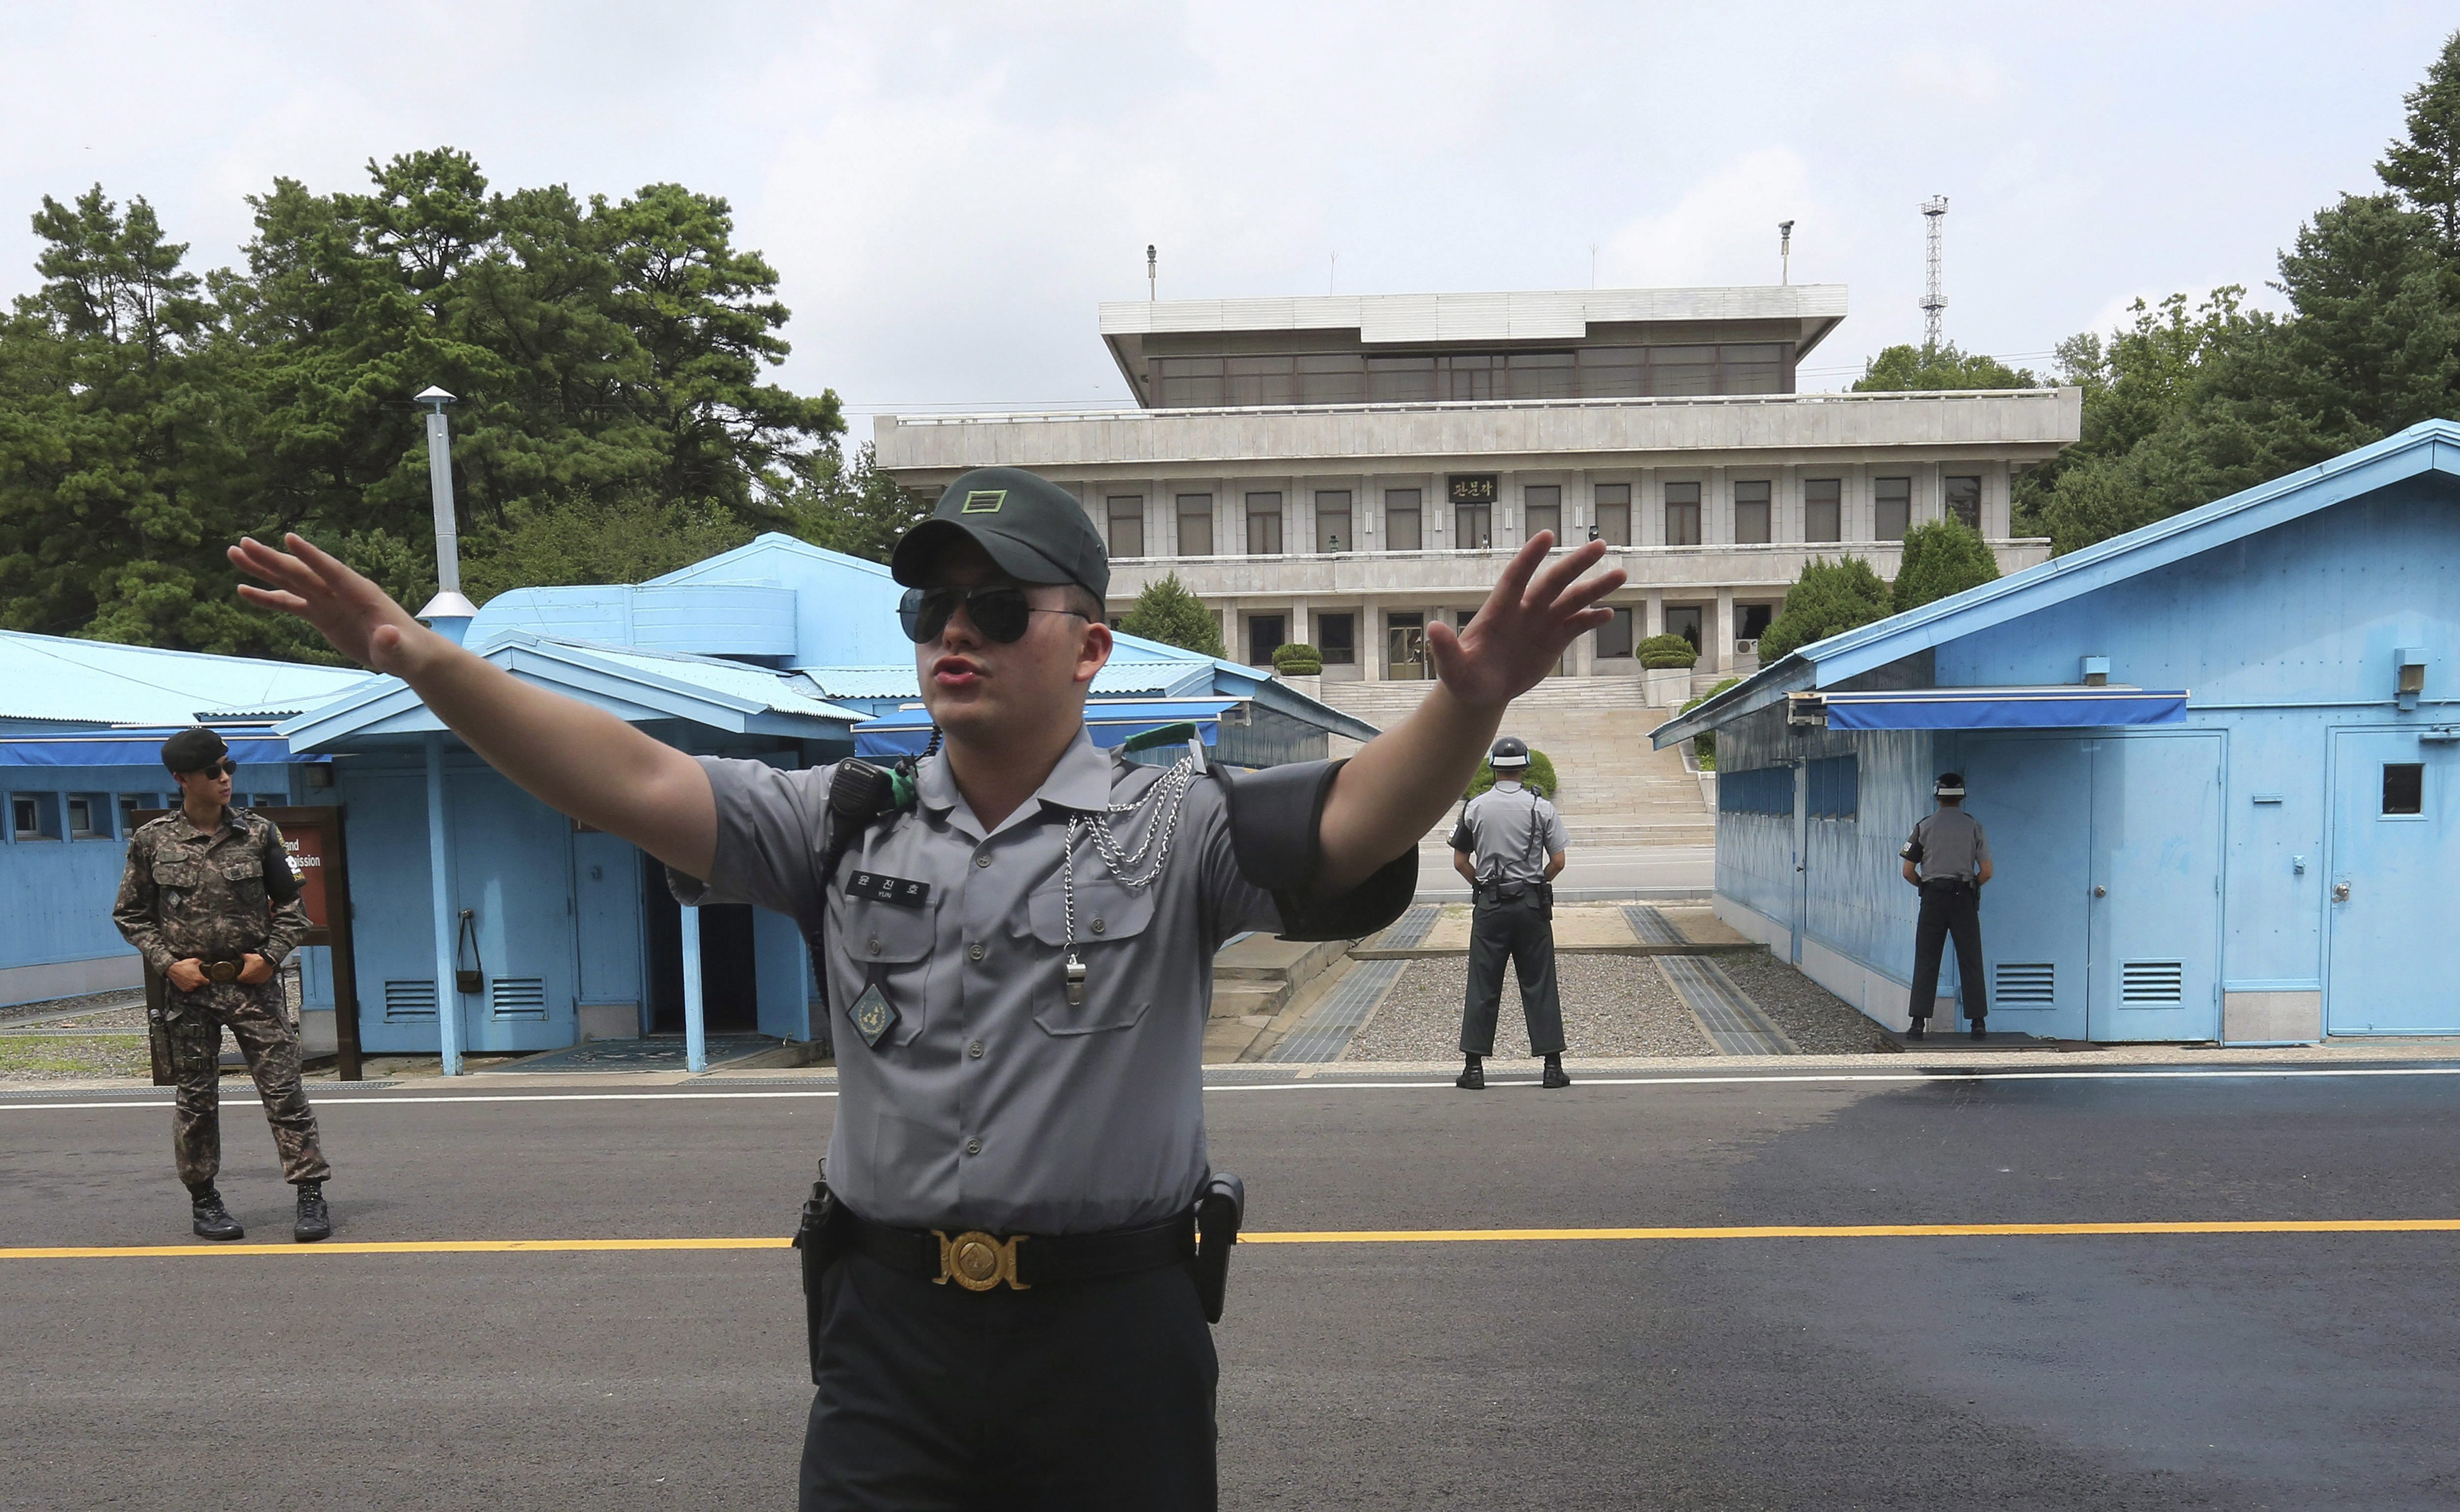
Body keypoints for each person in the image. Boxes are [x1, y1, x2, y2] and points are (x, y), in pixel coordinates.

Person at [229, 464, 1622, 1511]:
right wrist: (421, 659)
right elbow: (634, 776)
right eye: (930, 603)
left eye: (997, 605)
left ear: (1087, 648)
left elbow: (1356, 821)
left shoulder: (1178, 826)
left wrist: (1472, 702)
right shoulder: (842, 819)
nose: (954, 629)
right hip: (891, 1338)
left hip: (1114, 1338)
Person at [112, 726, 333, 1242]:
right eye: (214, 771)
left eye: (229, 768)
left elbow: (295, 911)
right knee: (196, 1098)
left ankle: (310, 1194)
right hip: (189, 990)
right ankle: (205, 1201)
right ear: (182, 779)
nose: (226, 778)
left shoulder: (258, 833)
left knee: (284, 1091)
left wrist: (271, 957)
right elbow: (130, 915)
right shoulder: (153, 840)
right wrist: (169, 963)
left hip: (253, 985)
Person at [1450, 735, 1571, 1090]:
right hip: (1532, 905)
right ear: (1525, 767)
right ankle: (1551, 1067)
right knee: (1540, 983)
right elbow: (1559, 861)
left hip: (1491, 905)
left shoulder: (1475, 807)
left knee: (1483, 984)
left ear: (1492, 769)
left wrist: (1481, 885)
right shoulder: (1541, 807)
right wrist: (1538, 881)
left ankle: (1474, 1068)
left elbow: (1460, 861)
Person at [1901, 770, 1993, 1040]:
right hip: (1963, 896)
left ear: (1937, 796)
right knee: (1971, 958)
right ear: (1962, 797)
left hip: (1933, 897)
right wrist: (1971, 885)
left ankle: (1918, 1023)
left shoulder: (1924, 826)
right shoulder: (1974, 826)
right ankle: (1978, 1023)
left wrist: (1925, 886)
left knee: (1927, 958)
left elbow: (1908, 871)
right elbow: (1987, 871)